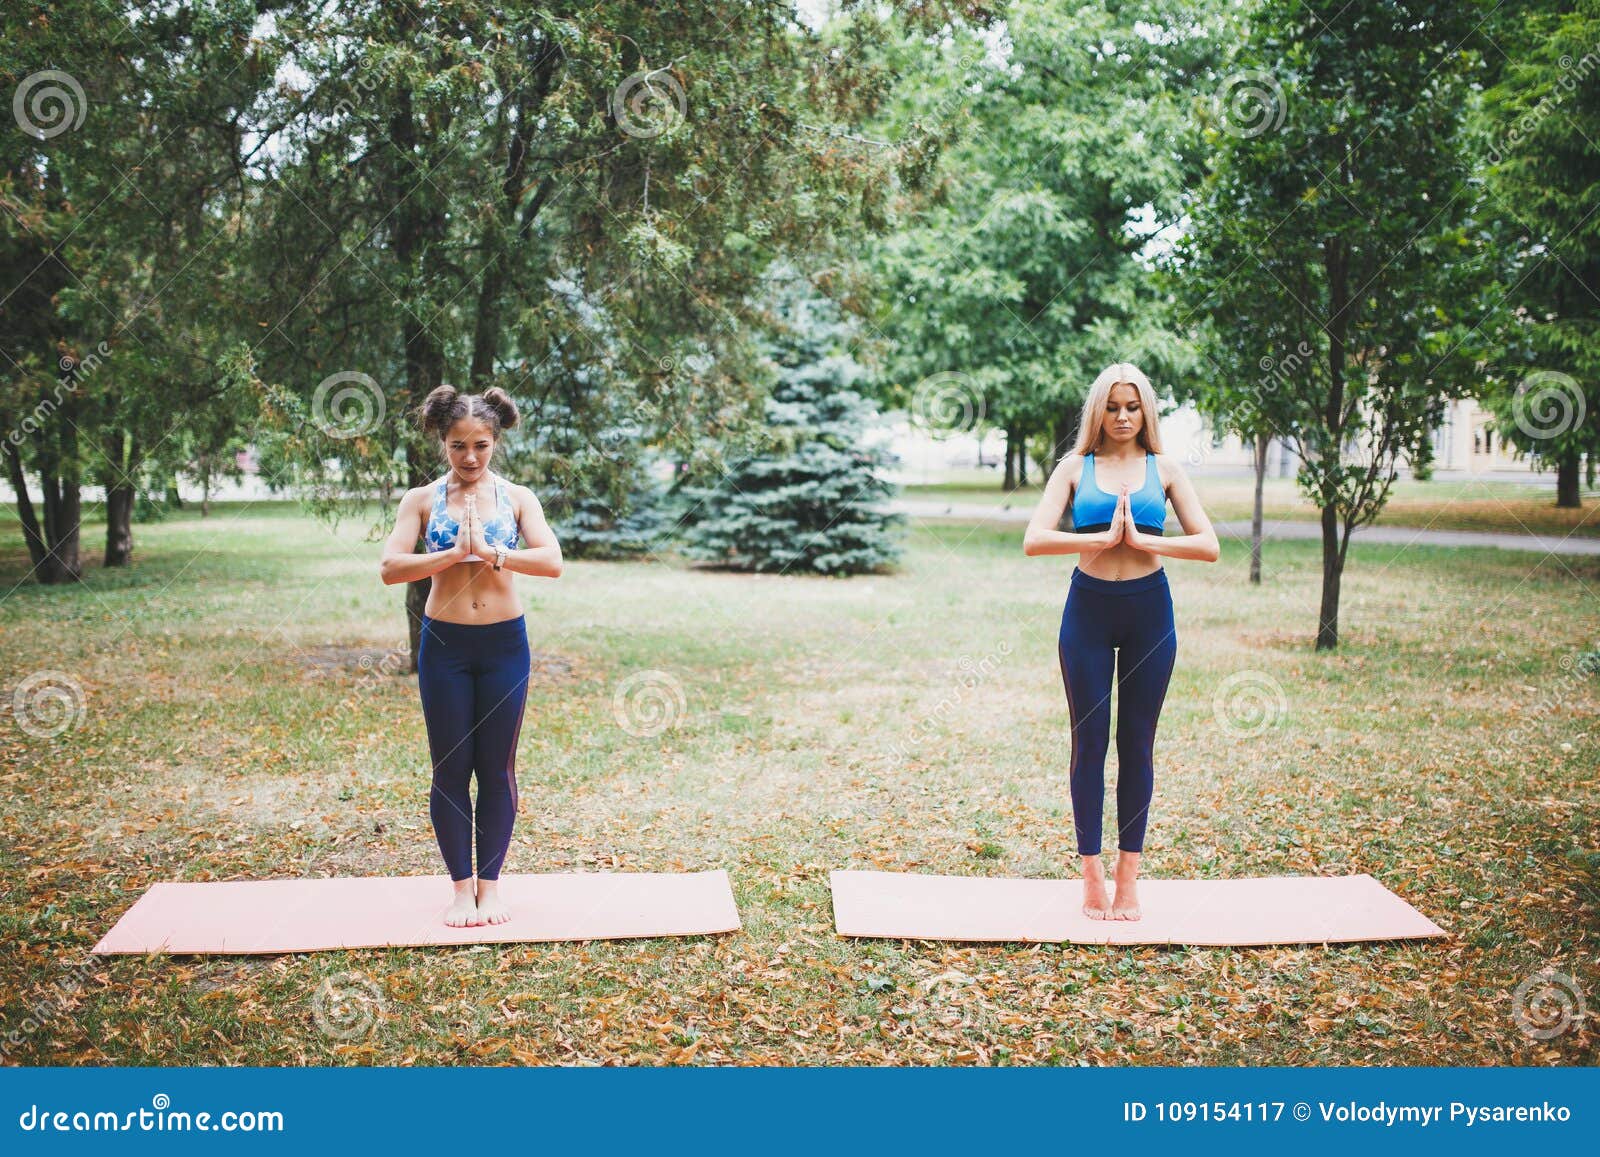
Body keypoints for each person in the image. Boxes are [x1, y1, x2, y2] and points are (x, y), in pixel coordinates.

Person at [1023, 363, 1219, 921]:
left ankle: (1129, 878)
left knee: (1137, 743)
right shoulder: (1074, 467)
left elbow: (1208, 544)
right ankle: (1091, 876)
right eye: (1112, 407)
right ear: (1097, 412)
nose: (1123, 417)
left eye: (1132, 407)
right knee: (1089, 742)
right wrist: (1101, 538)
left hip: (1148, 612)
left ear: (1146, 411)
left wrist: (1141, 540)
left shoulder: (1166, 469)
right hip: (1087, 611)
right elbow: (1033, 538)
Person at [379, 384, 563, 927]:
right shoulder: (420, 500)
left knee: (497, 768)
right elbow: (390, 568)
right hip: (446, 647)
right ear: (443, 442)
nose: (469, 458)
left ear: (495, 440)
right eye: (458, 445)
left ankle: (492, 888)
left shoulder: (518, 498)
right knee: (451, 768)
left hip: (505, 644)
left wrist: (493, 553)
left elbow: (552, 561)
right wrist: (453, 555)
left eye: (480, 445)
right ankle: (461, 890)